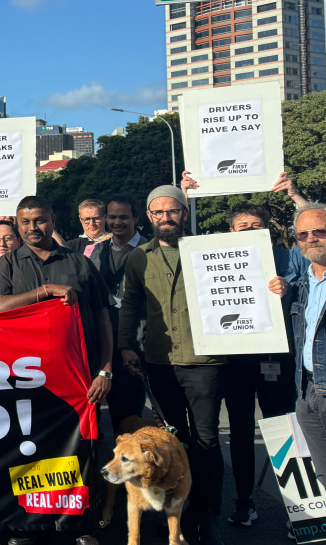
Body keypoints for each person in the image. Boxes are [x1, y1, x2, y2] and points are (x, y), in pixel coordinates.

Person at [118, 185, 287, 545]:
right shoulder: (137, 259)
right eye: (158, 212)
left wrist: (274, 288)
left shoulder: (211, 251)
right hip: (159, 360)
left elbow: (246, 283)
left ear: (185, 213)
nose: (166, 218)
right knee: (173, 440)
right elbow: (130, 304)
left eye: (174, 211)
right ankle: (177, 504)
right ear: (149, 217)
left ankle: (206, 512)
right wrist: (125, 346)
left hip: (205, 361)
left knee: (207, 441)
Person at [0, 195, 113, 545]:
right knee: (28, 449)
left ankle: (80, 525)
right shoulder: (7, 264)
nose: (33, 228)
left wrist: (105, 370)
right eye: (25, 222)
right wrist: (44, 292)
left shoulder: (79, 262)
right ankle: (29, 525)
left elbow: (104, 316)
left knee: (81, 450)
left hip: (79, 380)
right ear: (16, 223)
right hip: (26, 378)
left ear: (53, 219)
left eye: (40, 220)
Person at [221, 202, 298, 526]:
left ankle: (300, 513)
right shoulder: (219, 259)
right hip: (237, 359)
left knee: (284, 433)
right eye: (244, 226)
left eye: (257, 225)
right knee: (239, 432)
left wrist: (289, 289)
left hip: (276, 359)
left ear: (267, 228)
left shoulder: (286, 258)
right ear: (231, 232)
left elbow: (308, 289)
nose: (251, 231)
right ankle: (243, 502)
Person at [87, 195, 147, 434]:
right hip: (105, 344)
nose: (117, 222)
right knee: (101, 416)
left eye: (124, 217)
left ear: (136, 218)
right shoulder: (97, 252)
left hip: (139, 344)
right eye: (112, 217)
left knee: (130, 416)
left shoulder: (148, 249)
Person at [292, 203, 326, 492]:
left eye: (319, 231)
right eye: (303, 235)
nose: (311, 238)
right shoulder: (302, 284)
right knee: (324, 472)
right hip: (306, 390)